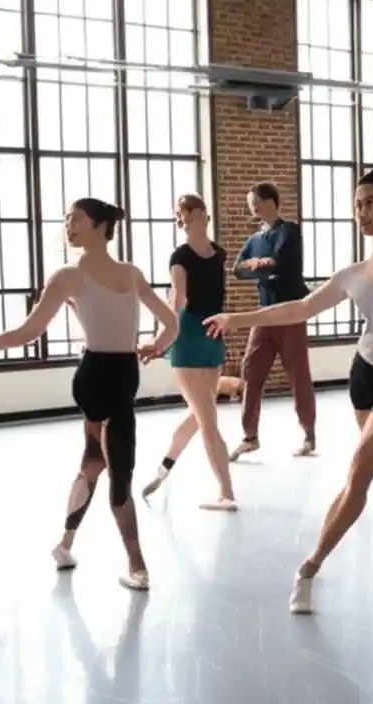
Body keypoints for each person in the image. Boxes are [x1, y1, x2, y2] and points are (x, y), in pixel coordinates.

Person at [203, 166, 373, 614]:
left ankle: (309, 567)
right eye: (357, 204)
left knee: (359, 471)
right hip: (364, 376)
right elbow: (301, 307)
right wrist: (237, 319)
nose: (362, 212)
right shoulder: (354, 272)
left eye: (371, 202)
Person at [0, 197, 178, 590]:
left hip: (123, 376)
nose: (68, 226)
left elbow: (171, 321)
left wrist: (155, 346)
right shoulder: (67, 276)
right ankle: (137, 562)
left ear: (99, 226)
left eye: (75, 219)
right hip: (96, 378)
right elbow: (27, 333)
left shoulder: (131, 273)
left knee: (94, 464)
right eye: (66, 220)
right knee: (119, 472)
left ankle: (65, 544)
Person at [141, 194, 238, 511]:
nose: (179, 220)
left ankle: (166, 465)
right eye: (177, 216)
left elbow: (216, 295)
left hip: (212, 334)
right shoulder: (179, 256)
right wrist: (162, 340)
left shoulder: (220, 254)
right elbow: (177, 302)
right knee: (207, 418)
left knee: (202, 414)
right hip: (190, 335)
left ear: (199, 214)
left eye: (182, 214)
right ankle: (227, 491)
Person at [228, 182, 316, 460]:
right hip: (264, 312)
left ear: (270, 201)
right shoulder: (255, 239)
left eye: (255, 201)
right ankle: (250, 436)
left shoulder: (288, 230)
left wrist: (262, 265)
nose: (251, 206)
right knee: (251, 369)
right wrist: (260, 265)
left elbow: (282, 261)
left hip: (290, 310)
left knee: (297, 374)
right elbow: (237, 269)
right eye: (249, 202)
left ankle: (309, 434)